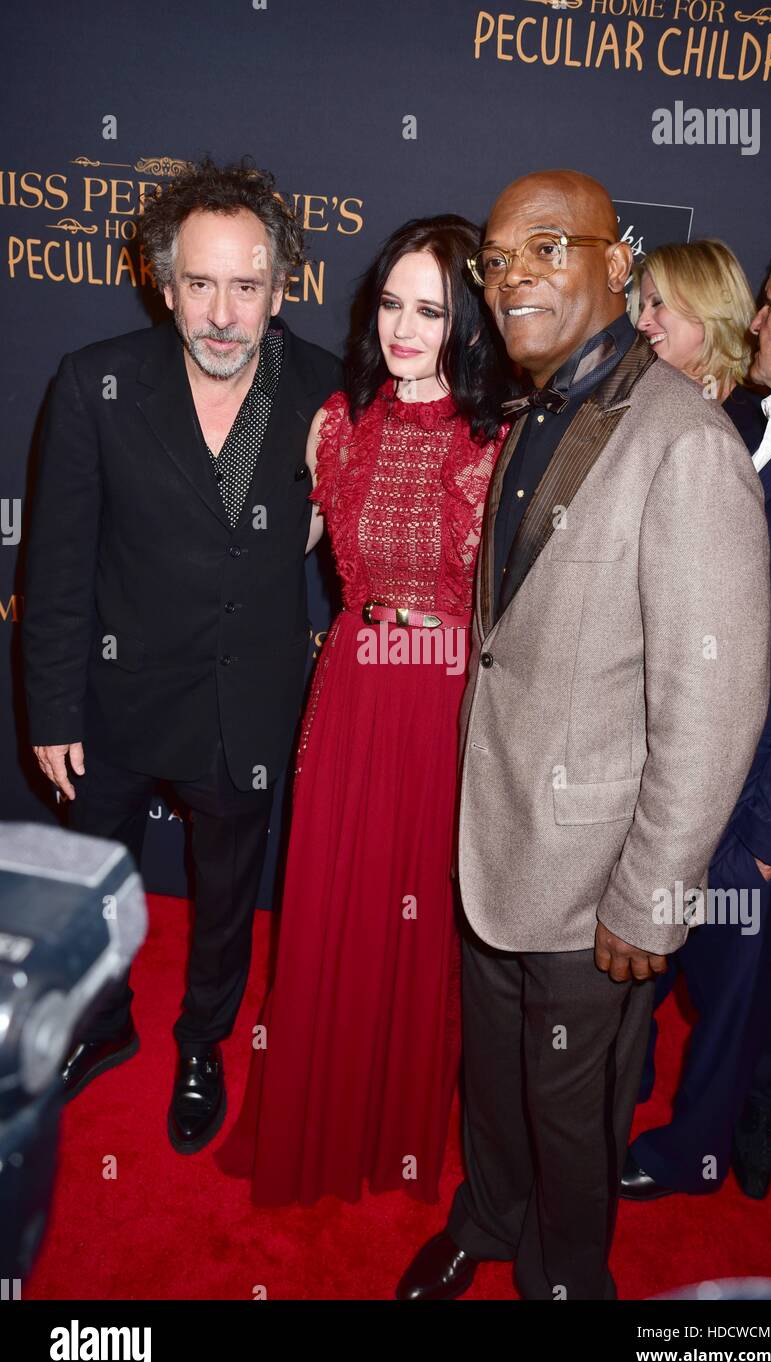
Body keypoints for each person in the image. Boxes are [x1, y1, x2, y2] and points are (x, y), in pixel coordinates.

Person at [396, 169, 771, 1301]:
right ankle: (489, 1218)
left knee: (571, 1112)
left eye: (547, 249)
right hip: (497, 843)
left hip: (595, 879)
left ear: (618, 264)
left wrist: (650, 896)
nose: (514, 276)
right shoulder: (532, 413)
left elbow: (713, 701)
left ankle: (565, 1279)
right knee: (493, 1074)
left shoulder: (683, 442)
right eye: (497, 260)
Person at [22, 159, 342, 1153]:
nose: (220, 312)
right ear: (163, 285)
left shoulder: (330, 392)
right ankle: (104, 1023)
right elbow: (59, 565)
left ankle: (203, 1040)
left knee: (224, 899)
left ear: (278, 290)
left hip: (243, 705)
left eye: (244, 286)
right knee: (100, 887)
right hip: (114, 703)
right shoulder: (94, 384)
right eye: (198, 284)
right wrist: (52, 713)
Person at [214, 216, 510, 1205]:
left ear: (464, 320)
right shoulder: (336, 423)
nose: (403, 327)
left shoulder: (496, 443)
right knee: (332, 905)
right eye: (391, 303)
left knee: (416, 920)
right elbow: (266, 553)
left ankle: (398, 1128)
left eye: (429, 309)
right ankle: (320, 1114)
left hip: (439, 702)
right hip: (350, 686)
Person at [623, 221, 771, 1202]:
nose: (754, 322)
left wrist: (768, 838)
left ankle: (692, 1149)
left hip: (756, 816)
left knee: (733, 1003)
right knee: (651, 962)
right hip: (685, 775)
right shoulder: (747, 419)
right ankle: (623, 1092)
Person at [631, 237, 764, 434]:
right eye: (641, 308)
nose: (641, 322)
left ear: (707, 304)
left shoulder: (755, 426)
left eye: (657, 302)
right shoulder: (640, 404)